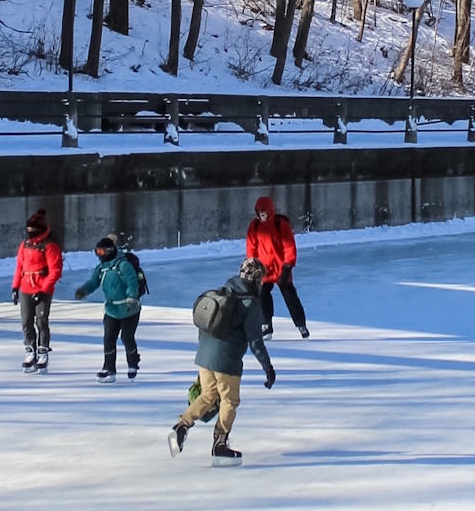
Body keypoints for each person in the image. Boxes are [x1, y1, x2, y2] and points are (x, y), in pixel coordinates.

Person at [170, 258, 275, 465]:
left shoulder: (223, 291)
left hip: (204, 355)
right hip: (227, 360)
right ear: (256, 280)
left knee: (208, 395)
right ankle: (220, 444)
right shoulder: (250, 303)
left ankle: (181, 425)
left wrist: (206, 354)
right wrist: (268, 368)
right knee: (229, 401)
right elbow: (255, 342)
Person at [73, 233, 147, 382]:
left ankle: (133, 363)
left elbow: (132, 282)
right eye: (97, 252)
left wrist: (132, 297)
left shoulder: (123, 265)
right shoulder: (101, 268)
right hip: (111, 310)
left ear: (110, 250)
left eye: (102, 252)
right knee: (108, 339)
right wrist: (84, 290)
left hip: (129, 309)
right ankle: (109, 369)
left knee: (127, 337)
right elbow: (93, 282)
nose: (99, 255)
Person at [245, 196, 308, 339]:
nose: (262, 214)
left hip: (281, 268)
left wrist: (287, 266)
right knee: (262, 296)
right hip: (264, 269)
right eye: (259, 212)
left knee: (290, 296)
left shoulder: (281, 225)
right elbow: (251, 248)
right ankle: (266, 325)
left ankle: (301, 324)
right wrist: (253, 265)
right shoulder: (254, 226)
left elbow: (289, 246)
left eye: (264, 211)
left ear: (270, 211)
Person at [12, 210, 63, 372]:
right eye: (27, 230)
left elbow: (55, 270)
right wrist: (15, 287)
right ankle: (30, 351)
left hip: (42, 289)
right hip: (26, 289)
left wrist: (44, 290)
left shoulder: (49, 245)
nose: (29, 233)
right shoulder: (25, 245)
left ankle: (42, 352)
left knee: (41, 321)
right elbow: (19, 266)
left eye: (32, 231)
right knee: (26, 321)